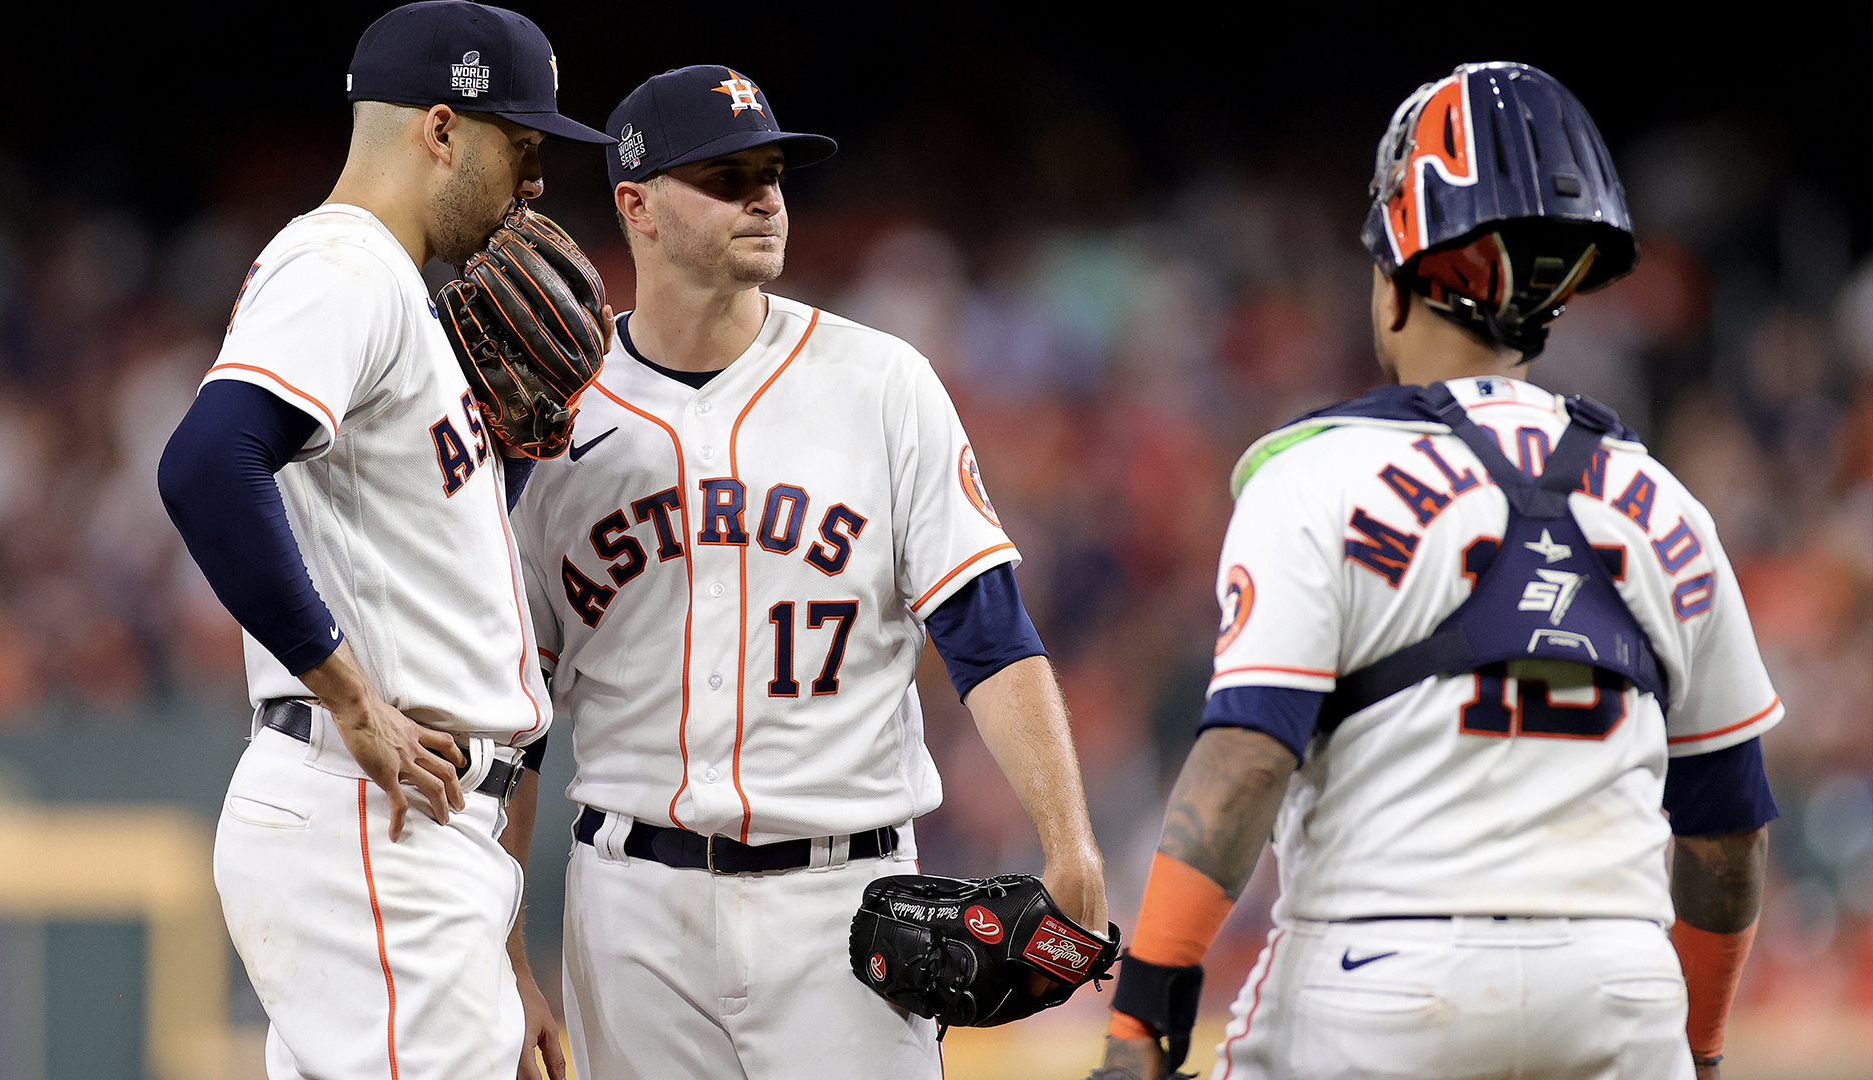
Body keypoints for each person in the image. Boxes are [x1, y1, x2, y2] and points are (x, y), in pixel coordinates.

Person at [1089, 63, 1779, 1080]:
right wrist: (1699, 1050)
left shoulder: (1315, 475)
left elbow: (1243, 763)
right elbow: (1728, 835)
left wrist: (1140, 1016)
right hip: (1620, 986)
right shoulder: (1665, 501)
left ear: (1395, 273)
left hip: (1382, 968)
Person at [509, 64, 1109, 1080]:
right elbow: (517, 716)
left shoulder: (880, 383)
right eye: (727, 178)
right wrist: (507, 947)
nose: (765, 199)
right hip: (629, 908)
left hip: (844, 908)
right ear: (636, 206)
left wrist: (1071, 839)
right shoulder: (557, 417)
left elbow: (989, 634)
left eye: (773, 174)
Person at [155, 4, 612, 1078]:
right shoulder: (345, 264)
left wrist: (510, 456)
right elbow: (207, 463)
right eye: (522, 146)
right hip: (372, 815)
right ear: (441, 130)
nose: (535, 181)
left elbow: (415, 570)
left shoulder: (398, 295)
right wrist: (353, 699)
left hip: (404, 833)